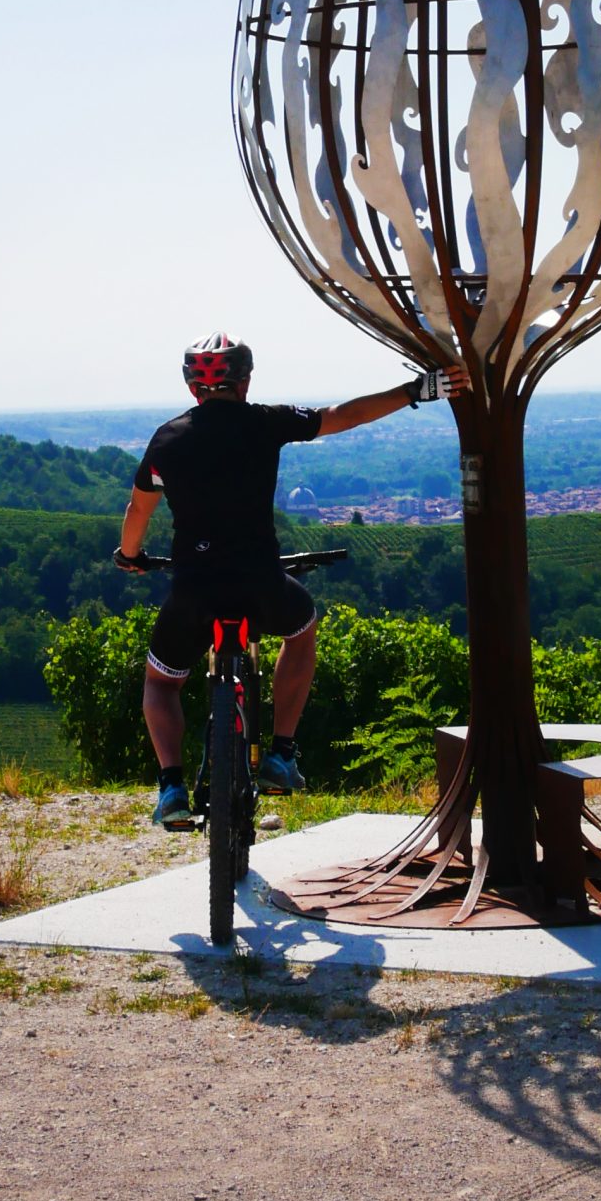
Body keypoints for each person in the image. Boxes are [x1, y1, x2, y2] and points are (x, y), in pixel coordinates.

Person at [114, 333, 464, 829]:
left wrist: (130, 557)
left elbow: (138, 509)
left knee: (160, 683)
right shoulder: (265, 422)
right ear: (245, 380)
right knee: (301, 632)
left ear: (192, 386)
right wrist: (415, 390)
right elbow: (345, 415)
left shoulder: (166, 441)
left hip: (194, 588)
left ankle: (171, 787)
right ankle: (281, 752)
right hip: (261, 583)